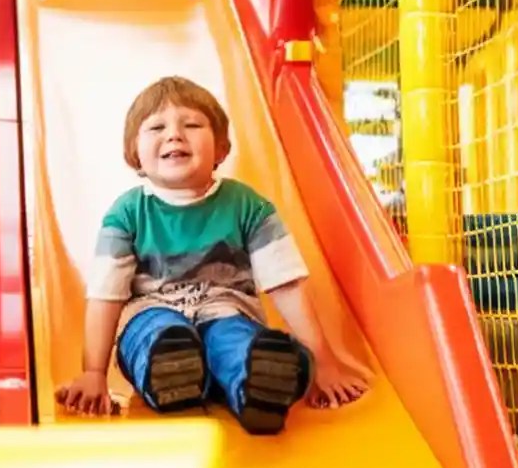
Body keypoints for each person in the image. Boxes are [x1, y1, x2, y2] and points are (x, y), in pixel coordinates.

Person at [55, 76, 372, 435]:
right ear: (134, 152)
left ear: (221, 148)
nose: (175, 134)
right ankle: (172, 375)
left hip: (227, 312)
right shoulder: (126, 214)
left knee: (239, 343)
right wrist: (93, 372)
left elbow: (286, 284)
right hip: (151, 316)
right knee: (158, 337)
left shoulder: (248, 206)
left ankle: (257, 389)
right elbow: (105, 296)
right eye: (157, 127)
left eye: (191, 124)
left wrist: (323, 363)